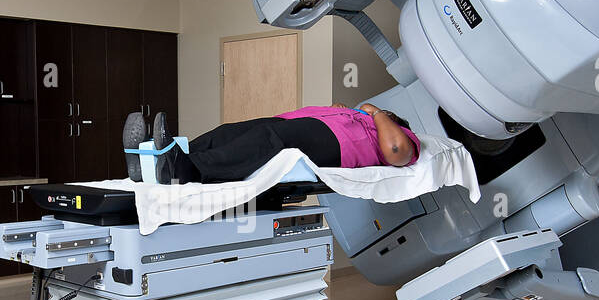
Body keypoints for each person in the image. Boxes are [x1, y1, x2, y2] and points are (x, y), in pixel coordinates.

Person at [123, 104, 421, 184]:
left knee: (271, 140)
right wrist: (349, 111)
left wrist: (377, 112)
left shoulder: (403, 137)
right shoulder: (361, 119)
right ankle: (155, 160)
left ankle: (187, 170)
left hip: (338, 145)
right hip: (304, 123)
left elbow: (396, 151)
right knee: (230, 131)